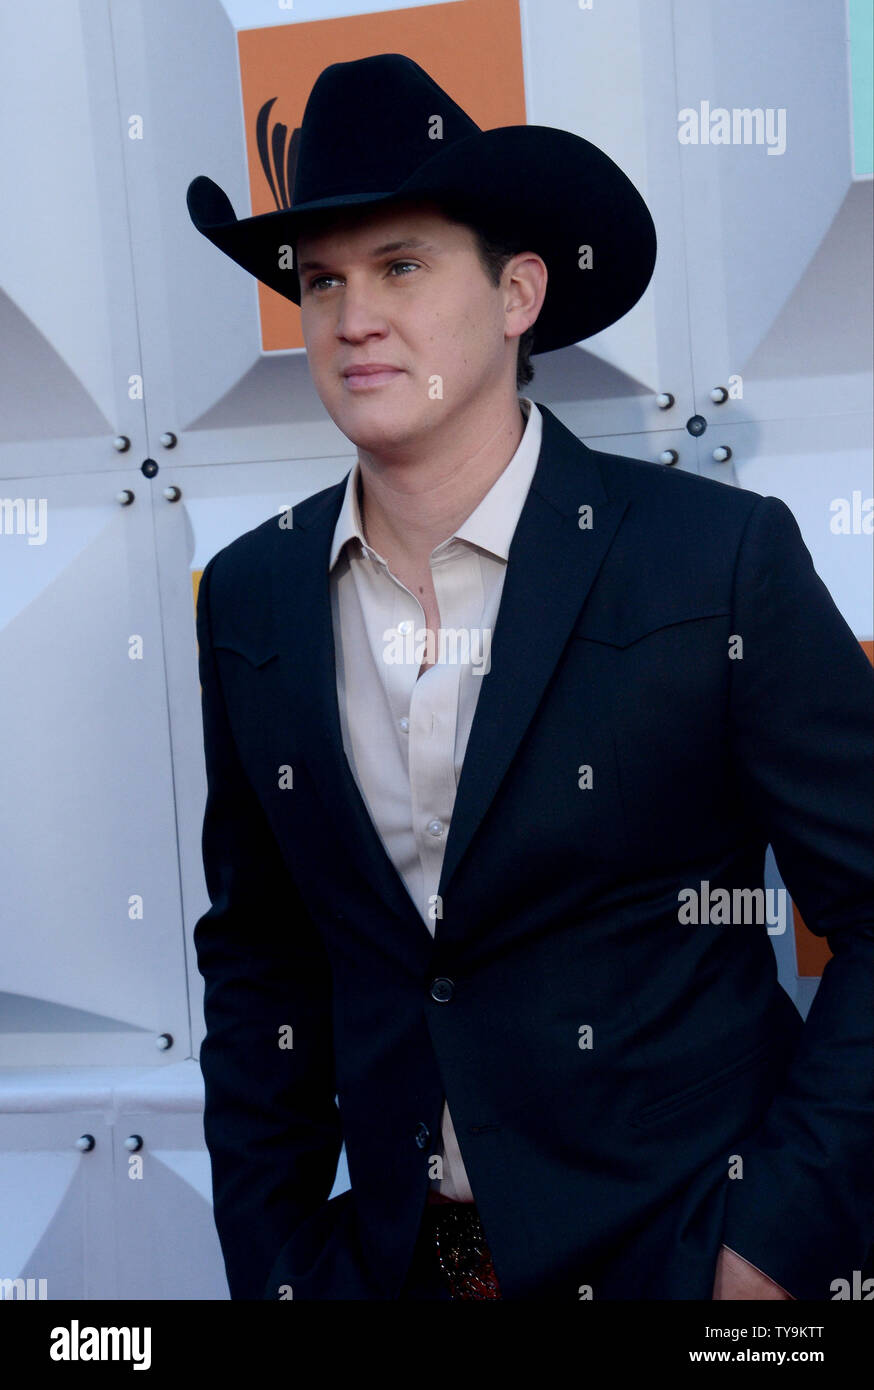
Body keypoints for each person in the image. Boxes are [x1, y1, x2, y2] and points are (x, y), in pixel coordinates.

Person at [186, 53, 873, 1301]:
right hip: (390, 1270)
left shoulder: (713, 560)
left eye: (400, 266)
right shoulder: (250, 594)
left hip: (682, 1259)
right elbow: (261, 962)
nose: (351, 318)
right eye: (321, 281)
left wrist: (768, 1251)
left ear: (517, 293)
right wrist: (277, 1263)